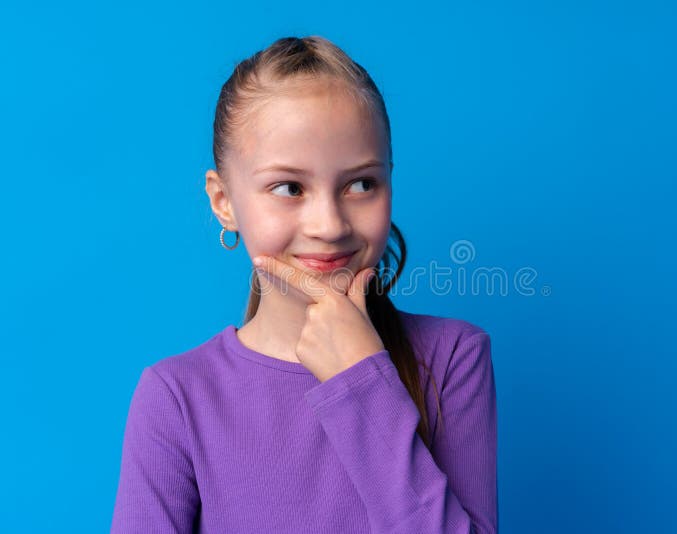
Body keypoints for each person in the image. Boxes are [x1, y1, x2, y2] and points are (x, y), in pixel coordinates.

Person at [110, 35, 498, 533]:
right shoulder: (176, 397)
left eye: (361, 184)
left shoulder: (452, 359)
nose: (329, 224)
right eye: (289, 188)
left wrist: (361, 380)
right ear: (224, 200)